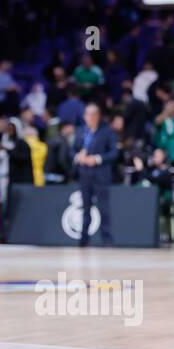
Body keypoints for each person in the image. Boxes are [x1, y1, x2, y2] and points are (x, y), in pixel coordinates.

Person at [73, 103, 117, 247]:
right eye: (87, 114)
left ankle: (107, 240)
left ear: (98, 116)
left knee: (104, 208)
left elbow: (114, 153)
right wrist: (78, 157)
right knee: (85, 208)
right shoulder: (80, 131)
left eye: (93, 114)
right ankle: (83, 240)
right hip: (84, 174)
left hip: (100, 174)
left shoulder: (107, 132)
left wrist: (97, 159)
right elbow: (72, 150)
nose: (89, 117)